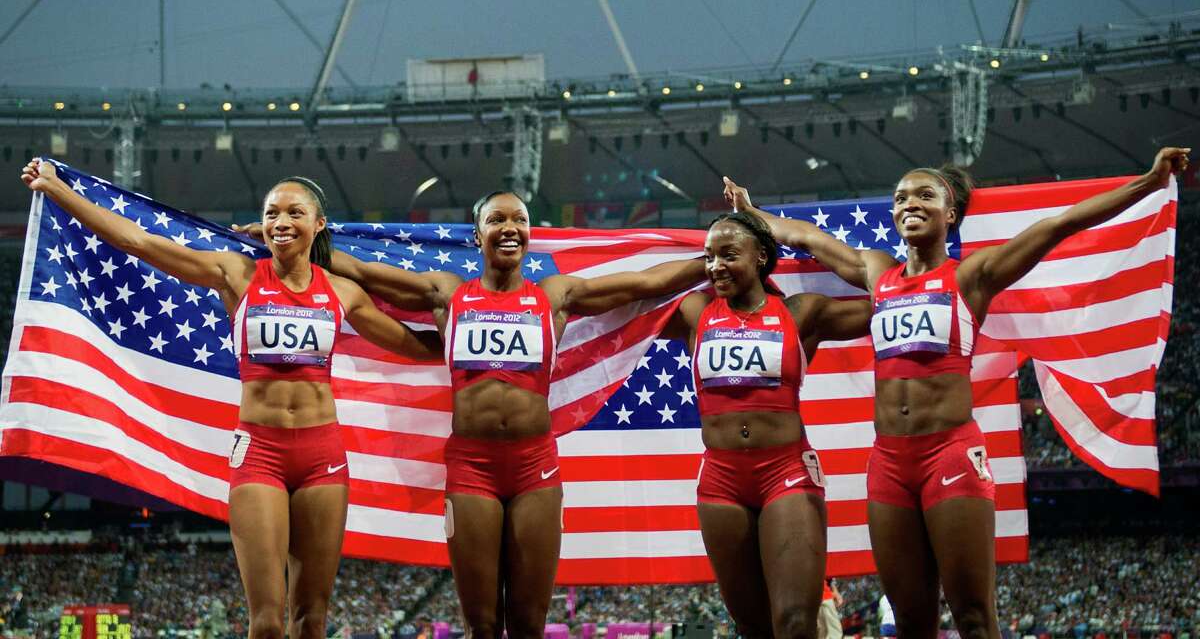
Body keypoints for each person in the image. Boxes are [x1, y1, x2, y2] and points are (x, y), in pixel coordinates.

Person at [723, 146, 1188, 639]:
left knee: (973, 617)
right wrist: (751, 214)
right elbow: (805, 238)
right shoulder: (877, 273)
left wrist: (1149, 181)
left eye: (925, 195)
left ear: (950, 214)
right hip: (888, 465)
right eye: (901, 198)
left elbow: (1058, 226)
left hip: (951, 456)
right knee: (911, 622)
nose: (910, 204)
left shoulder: (972, 276)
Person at [21, 159, 440, 639]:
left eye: (295, 213)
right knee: (265, 622)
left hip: (323, 456)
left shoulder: (342, 293)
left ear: (318, 224)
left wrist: (479, 351)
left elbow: (411, 346)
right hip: (260, 454)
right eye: (272, 213)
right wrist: (58, 190)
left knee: (313, 619)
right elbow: (138, 241)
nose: (282, 222)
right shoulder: (236, 274)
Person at [290, 191, 706, 639]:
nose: (509, 228)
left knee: (529, 623)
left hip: (534, 469)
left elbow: (644, 282)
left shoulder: (553, 296)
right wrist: (290, 238)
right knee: (481, 624)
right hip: (472, 469)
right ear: (477, 234)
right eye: (496, 220)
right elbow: (361, 271)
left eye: (520, 220)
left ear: (529, 233)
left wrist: (714, 258)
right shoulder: (448, 294)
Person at [661, 212, 871, 639]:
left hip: (786, 472)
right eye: (709, 257)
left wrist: (786, 232)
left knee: (794, 622)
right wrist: (705, 259)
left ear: (761, 257)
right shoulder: (694, 311)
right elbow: (630, 296)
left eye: (729, 255)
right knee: (751, 627)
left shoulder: (801, 312)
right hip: (720, 481)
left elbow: (886, 298)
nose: (716, 266)